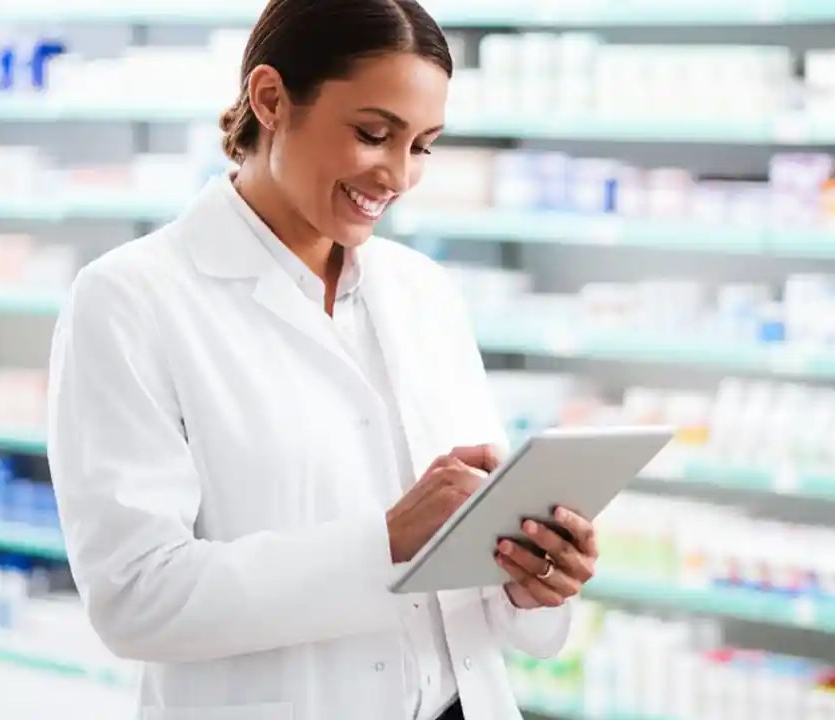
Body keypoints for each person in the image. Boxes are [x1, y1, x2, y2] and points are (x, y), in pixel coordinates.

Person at [45, 1, 598, 718]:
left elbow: (467, 577)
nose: (398, 176)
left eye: (424, 145)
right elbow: (136, 597)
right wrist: (385, 541)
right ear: (271, 99)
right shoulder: (131, 300)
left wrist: (532, 578)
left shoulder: (421, 291)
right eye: (374, 134)